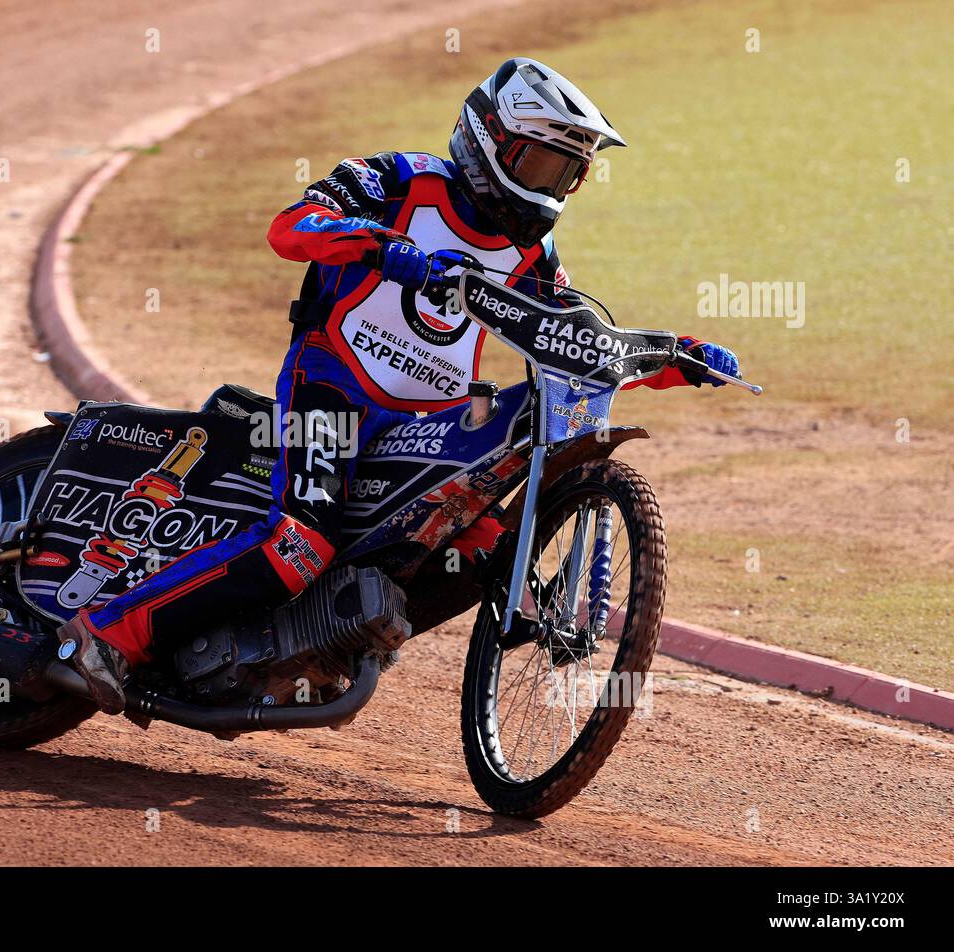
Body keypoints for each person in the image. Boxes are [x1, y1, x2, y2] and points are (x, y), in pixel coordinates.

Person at [58, 57, 741, 712]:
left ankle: (321, 646)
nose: (553, 186)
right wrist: (389, 251)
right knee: (299, 545)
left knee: (484, 550)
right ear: (489, 141)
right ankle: (110, 632)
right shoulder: (398, 180)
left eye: (570, 174)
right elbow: (291, 228)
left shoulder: (535, 252)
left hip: (430, 422)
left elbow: (567, 338)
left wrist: (672, 356)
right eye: (542, 162)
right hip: (332, 386)